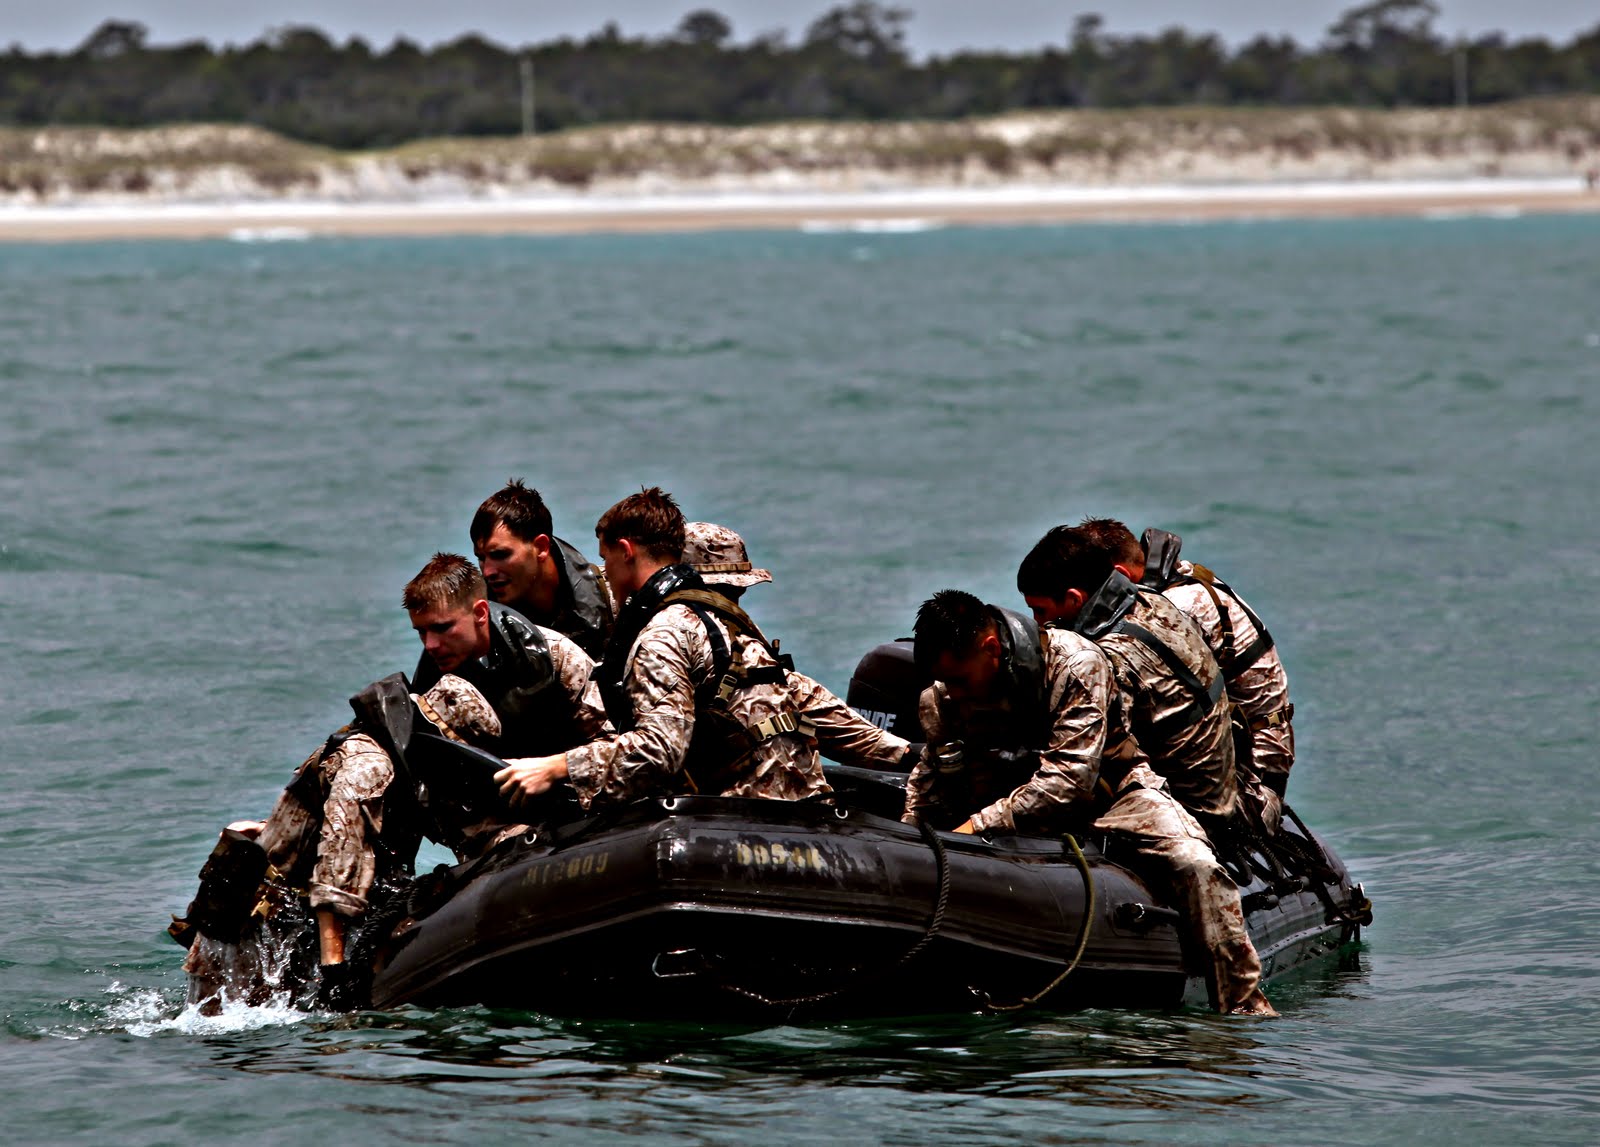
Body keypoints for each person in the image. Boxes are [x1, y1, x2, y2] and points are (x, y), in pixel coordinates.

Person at [901, 590, 1274, 1016]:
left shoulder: (1075, 664)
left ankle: (1243, 1007)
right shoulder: (941, 698)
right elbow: (929, 776)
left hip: (1111, 795)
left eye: (961, 680)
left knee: (1197, 864)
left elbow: (1069, 780)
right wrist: (912, 833)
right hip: (1000, 796)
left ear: (990, 648)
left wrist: (976, 827)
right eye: (945, 681)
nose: (954, 692)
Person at [177, 673, 502, 1013]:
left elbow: (471, 833)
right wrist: (335, 970)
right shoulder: (370, 767)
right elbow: (338, 864)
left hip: (301, 919)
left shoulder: (418, 775)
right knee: (229, 1022)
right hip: (256, 926)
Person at [495, 489, 830, 810]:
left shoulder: (661, 635)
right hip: (809, 808)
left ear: (626, 551)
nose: (604, 573)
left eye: (604, 558)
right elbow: (816, 705)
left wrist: (556, 768)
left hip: (744, 815)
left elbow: (660, 750)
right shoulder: (722, 621)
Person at [1077, 518, 1295, 830]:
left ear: (1120, 576)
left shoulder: (1178, 608)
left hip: (1254, 768)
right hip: (1245, 741)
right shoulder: (1184, 576)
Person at [1016, 526, 1239, 830]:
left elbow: (1088, 749)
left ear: (1073, 598)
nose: (1038, 622)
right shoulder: (1148, 599)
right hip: (1216, 785)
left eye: (1040, 610)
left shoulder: (1111, 655)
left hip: (1189, 808)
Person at [683, 521, 912, 771]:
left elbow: (803, 699)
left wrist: (909, 752)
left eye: (735, 591)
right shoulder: (670, 638)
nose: (730, 603)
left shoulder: (740, 646)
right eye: (720, 591)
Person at [407, 552, 609, 764]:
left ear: (480, 613)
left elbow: (611, 744)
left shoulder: (556, 655)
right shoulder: (433, 674)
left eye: (442, 627)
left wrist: (550, 769)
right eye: (421, 631)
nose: (430, 645)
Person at [468, 479, 613, 658]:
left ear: (542, 547)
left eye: (501, 555)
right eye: (481, 558)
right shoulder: (471, 620)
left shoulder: (616, 600)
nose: (488, 571)